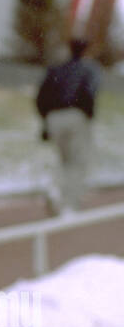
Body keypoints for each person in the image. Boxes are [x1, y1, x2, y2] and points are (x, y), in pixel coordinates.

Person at [36, 37, 98, 214]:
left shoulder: (56, 69)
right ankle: (69, 206)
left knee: (63, 160)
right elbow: (89, 93)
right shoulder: (88, 70)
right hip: (76, 115)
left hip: (53, 117)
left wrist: (45, 120)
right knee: (76, 162)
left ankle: (54, 189)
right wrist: (88, 117)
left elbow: (41, 96)